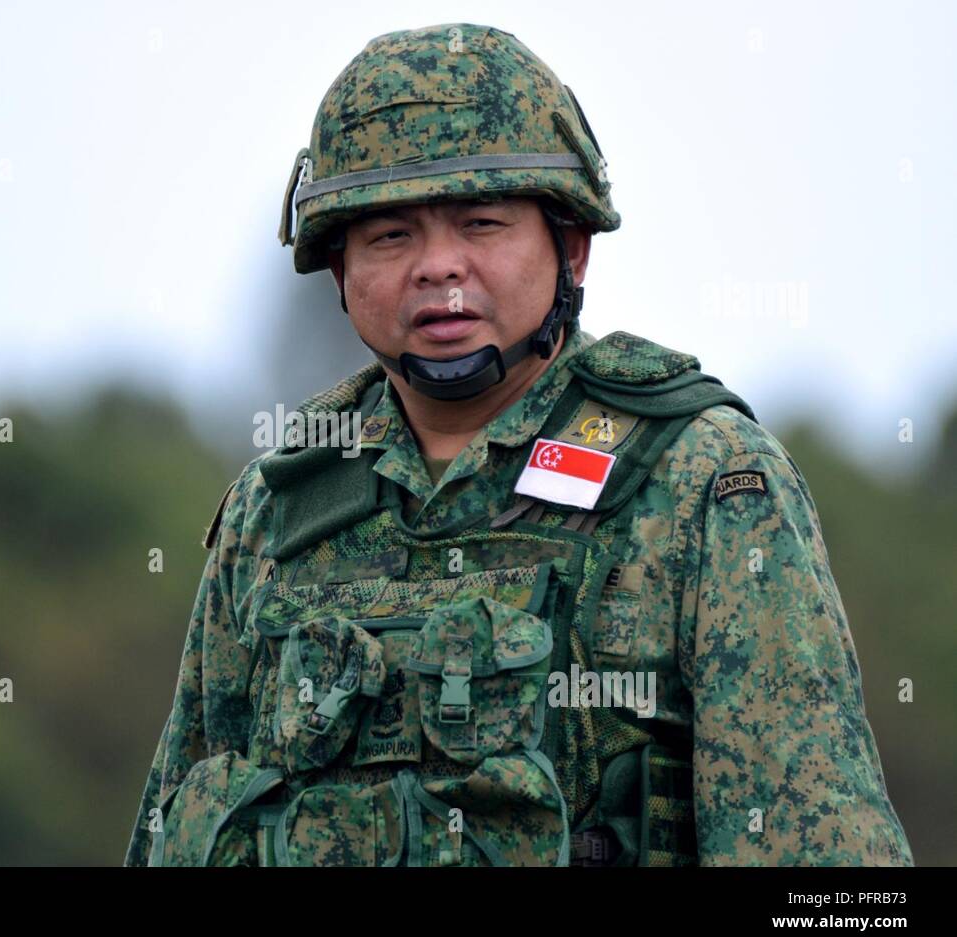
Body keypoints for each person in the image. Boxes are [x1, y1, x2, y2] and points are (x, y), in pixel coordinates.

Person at [124, 22, 912, 866]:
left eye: (483, 222)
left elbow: (828, 871)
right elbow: (179, 821)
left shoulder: (704, 479)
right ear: (340, 271)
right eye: (390, 235)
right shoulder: (277, 510)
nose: (438, 268)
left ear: (569, 246)